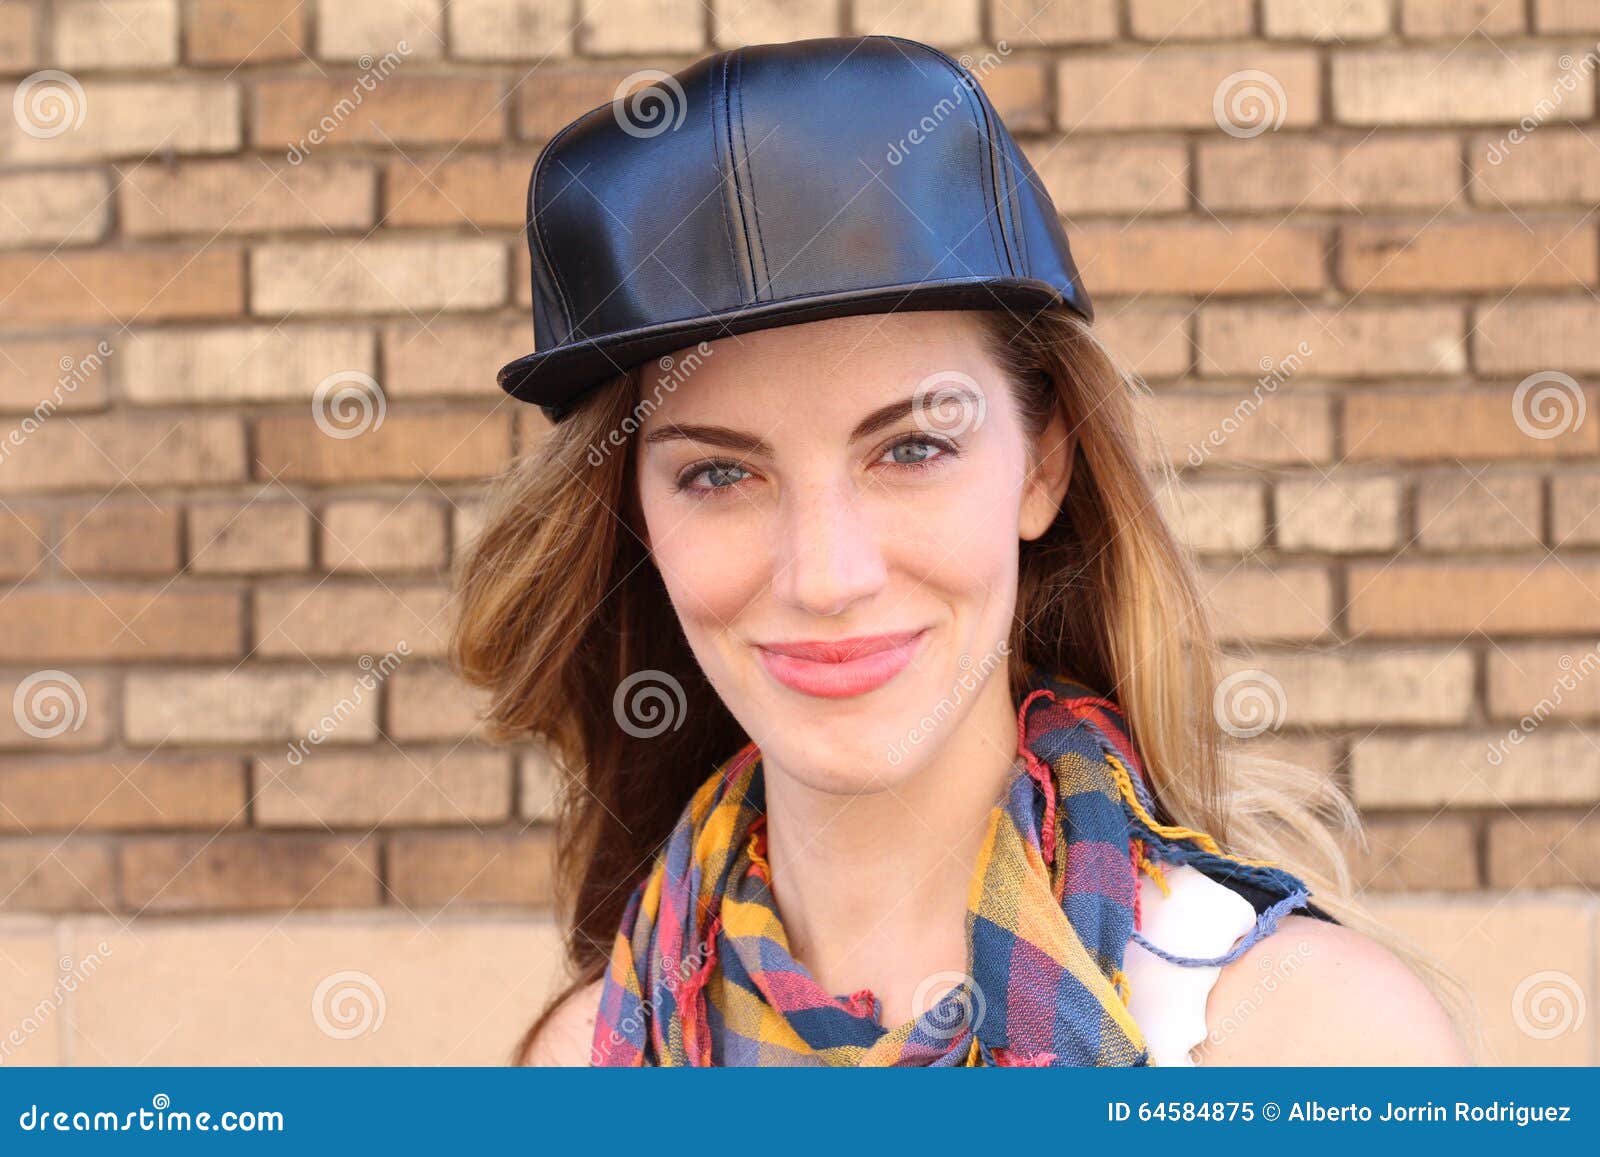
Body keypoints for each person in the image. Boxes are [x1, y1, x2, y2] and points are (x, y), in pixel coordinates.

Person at [451, 35, 1477, 1066]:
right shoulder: (587, 1055)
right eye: (718, 474)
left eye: (911, 447)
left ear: (1042, 466)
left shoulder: (1307, 1036)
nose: (826, 575)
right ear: (632, 516)